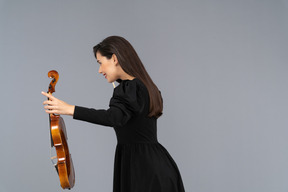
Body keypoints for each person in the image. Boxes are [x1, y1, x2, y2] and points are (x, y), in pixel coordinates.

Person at [42, 36, 185, 192]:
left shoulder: (129, 88)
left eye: (100, 63)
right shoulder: (145, 86)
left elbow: (113, 118)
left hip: (142, 169)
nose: (100, 70)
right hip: (156, 164)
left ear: (114, 59)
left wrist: (70, 109)